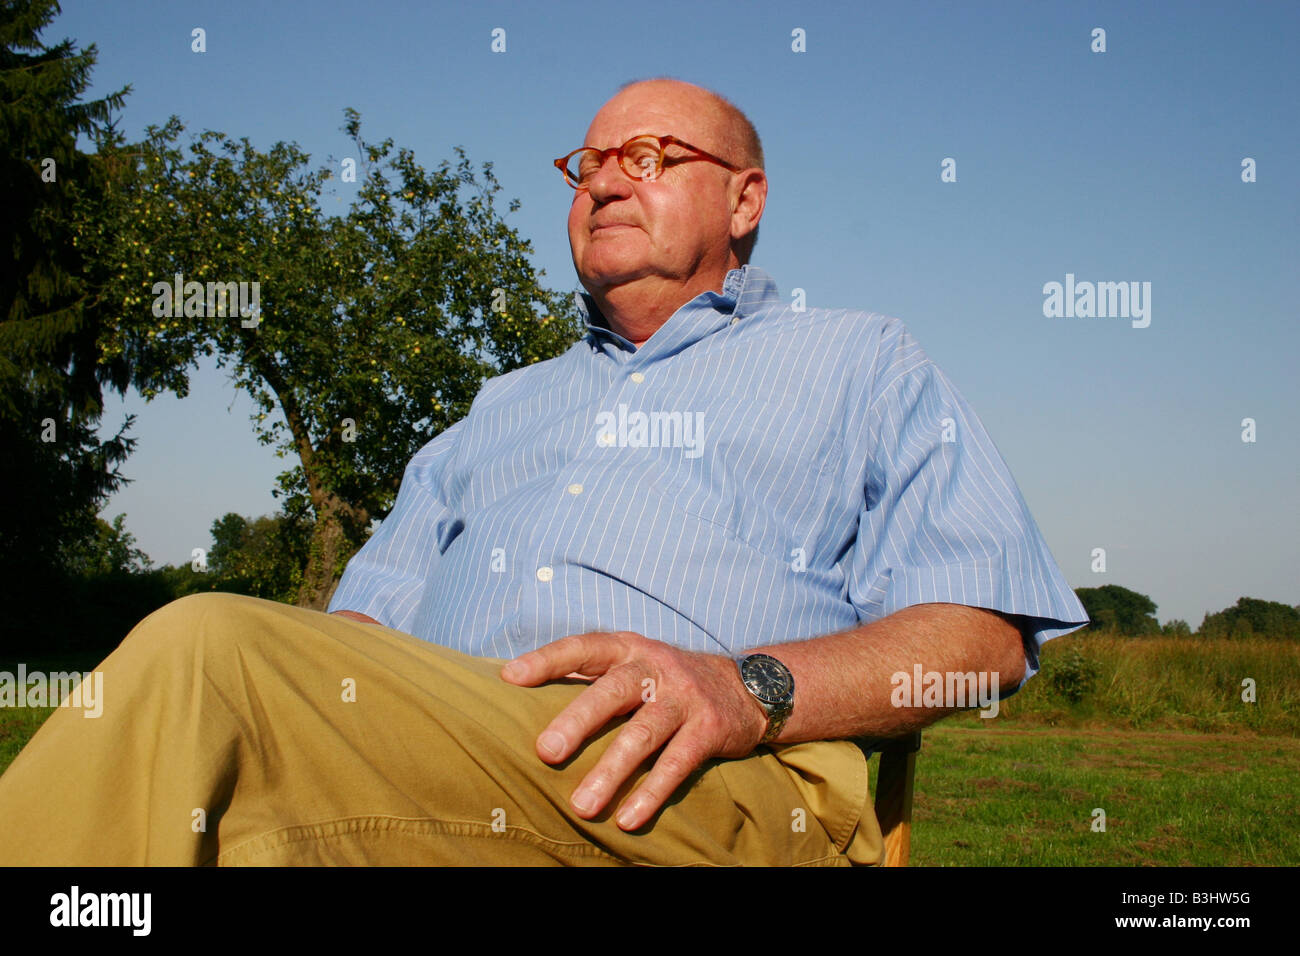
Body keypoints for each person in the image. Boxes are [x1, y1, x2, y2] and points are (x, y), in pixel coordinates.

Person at [0, 78, 1086, 866]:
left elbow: (982, 634)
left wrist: (746, 685)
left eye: (650, 157)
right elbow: (354, 650)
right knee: (217, 806)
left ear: (744, 202)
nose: (606, 179)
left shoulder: (858, 358)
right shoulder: (496, 408)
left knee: (207, 650)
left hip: (706, 784)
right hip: (447, 766)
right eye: (588, 163)